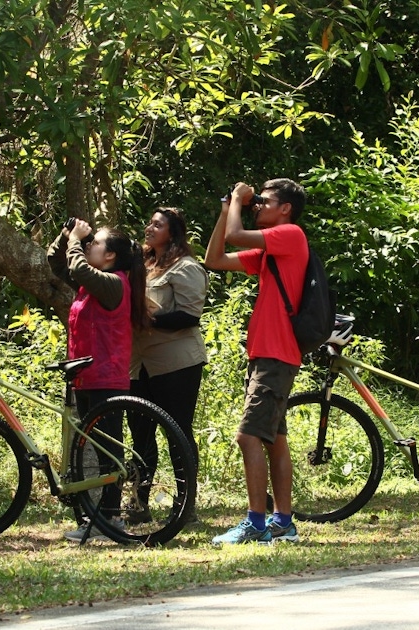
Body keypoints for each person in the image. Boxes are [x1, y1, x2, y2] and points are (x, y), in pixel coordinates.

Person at [203, 178, 308, 545]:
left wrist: (236, 200)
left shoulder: (291, 234)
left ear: (286, 209)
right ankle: (283, 522)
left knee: (247, 437)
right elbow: (214, 259)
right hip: (267, 355)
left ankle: (257, 524)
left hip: (276, 357)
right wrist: (224, 209)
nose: (257, 205)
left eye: (265, 201)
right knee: (274, 441)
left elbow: (235, 235)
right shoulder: (268, 253)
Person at [46, 219, 148, 542]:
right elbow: (57, 262)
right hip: (88, 378)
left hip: (107, 380)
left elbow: (77, 268)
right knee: (95, 451)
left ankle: (110, 521)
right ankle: (100, 520)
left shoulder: (113, 283)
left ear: (110, 257)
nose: (89, 245)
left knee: (107, 454)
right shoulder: (92, 283)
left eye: (95, 243)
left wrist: (77, 241)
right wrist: (66, 236)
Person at [127, 207, 208, 524]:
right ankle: (137, 503)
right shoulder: (141, 266)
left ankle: (185, 505)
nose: (149, 227)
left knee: (178, 432)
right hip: (139, 363)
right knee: (139, 436)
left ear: (172, 233)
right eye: (149, 222)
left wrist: (147, 319)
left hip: (176, 363)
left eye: (157, 224)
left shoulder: (186, 267)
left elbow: (189, 316)